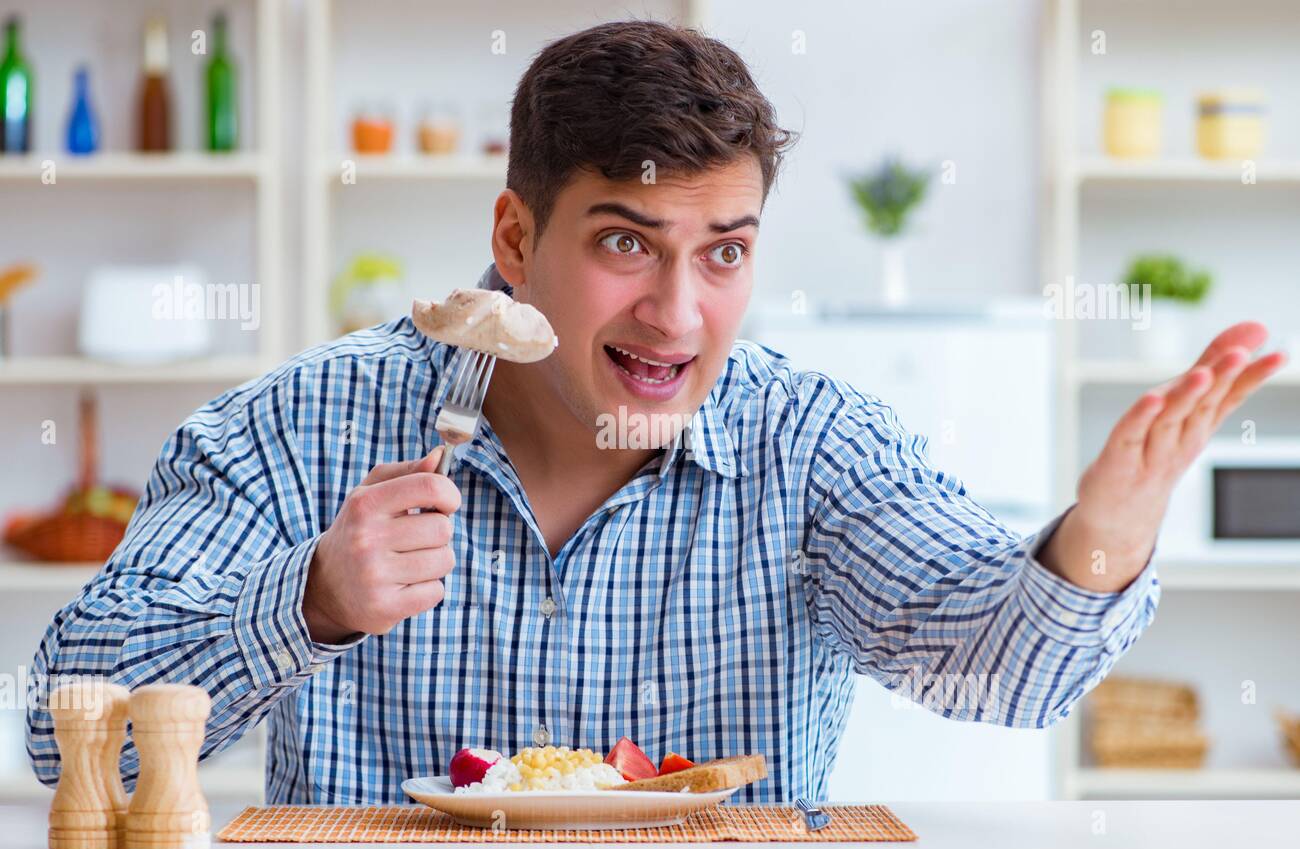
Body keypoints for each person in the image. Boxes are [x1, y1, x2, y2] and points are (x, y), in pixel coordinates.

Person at [27, 21, 1286, 804]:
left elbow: (997, 675)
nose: (679, 313)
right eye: (627, 243)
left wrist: (1101, 538)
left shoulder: (813, 446)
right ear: (514, 236)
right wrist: (305, 604)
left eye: (724, 252)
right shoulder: (301, 427)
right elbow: (66, 739)